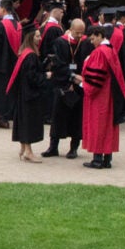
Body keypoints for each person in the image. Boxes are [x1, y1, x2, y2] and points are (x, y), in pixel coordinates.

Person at [79, 22, 125, 169]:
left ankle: (97, 159)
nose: (92, 42)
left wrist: (83, 83)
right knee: (108, 126)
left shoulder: (100, 52)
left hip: (100, 96)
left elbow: (95, 79)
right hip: (110, 95)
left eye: (93, 39)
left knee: (98, 125)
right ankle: (107, 159)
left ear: (100, 36)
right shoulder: (110, 49)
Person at [43, 17, 86, 159]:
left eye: (82, 32)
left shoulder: (85, 44)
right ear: (71, 30)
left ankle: (74, 148)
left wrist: (77, 82)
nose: (80, 35)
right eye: (77, 32)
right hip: (62, 85)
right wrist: (71, 77)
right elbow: (57, 64)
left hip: (79, 87)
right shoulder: (60, 43)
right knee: (57, 116)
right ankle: (53, 147)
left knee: (76, 118)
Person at [6, 24, 47, 162]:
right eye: (37, 36)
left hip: (23, 93)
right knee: (29, 122)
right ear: (30, 37)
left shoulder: (24, 53)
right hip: (30, 95)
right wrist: (46, 75)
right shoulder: (30, 56)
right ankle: (28, 151)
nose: (40, 38)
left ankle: (23, 148)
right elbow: (32, 78)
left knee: (24, 120)